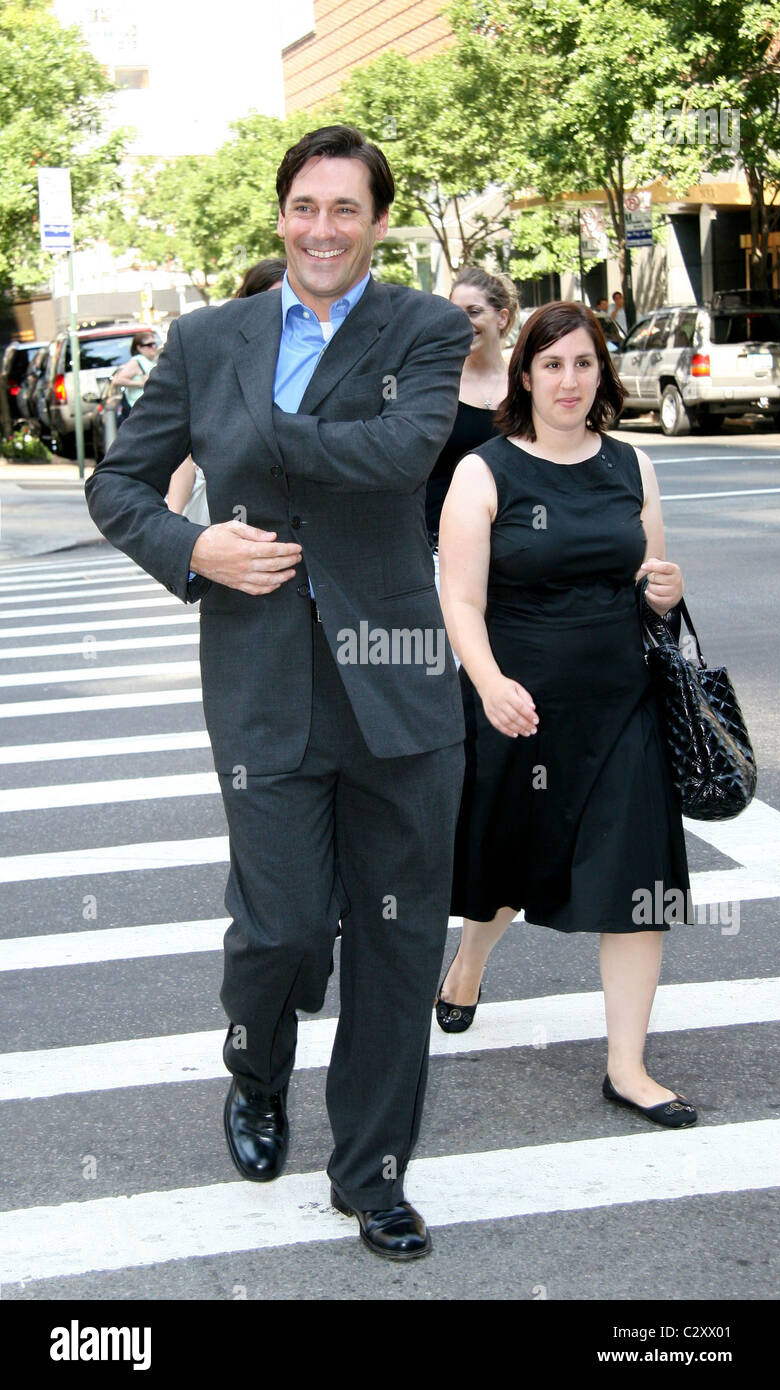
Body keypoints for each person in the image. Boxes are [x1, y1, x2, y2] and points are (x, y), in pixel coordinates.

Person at [85, 124, 473, 1260]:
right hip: (260, 678)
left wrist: (256, 433)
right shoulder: (210, 338)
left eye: (344, 209)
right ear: (280, 213)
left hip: (398, 685)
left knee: (398, 941)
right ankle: (255, 1068)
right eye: (304, 206)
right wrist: (193, 550)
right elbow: (118, 481)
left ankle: (374, 1175)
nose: (321, 228)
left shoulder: (427, 327)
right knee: (284, 923)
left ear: (377, 222)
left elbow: (401, 454)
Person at [436, 300, 697, 1130]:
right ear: (524, 374)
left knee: (636, 879)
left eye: (584, 363)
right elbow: (461, 598)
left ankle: (628, 1065)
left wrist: (665, 589)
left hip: (623, 703)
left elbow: (648, 575)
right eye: (552, 364)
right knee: (511, 868)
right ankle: (469, 961)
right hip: (522, 706)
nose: (569, 380)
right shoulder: (484, 471)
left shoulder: (632, 466)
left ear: (602, 374)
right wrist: (487, 683)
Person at [167, 261, 288, 523]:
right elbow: (185, 454)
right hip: (229, 515)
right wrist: (174, 520)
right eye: (269, 300)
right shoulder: (217, 360)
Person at [426, 267, 517, 575]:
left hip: (515, 551)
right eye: (455, 313)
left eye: (474, 311)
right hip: (442, 553)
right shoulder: (435, 383)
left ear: (502, 317)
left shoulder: (529, 386)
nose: (463, 322)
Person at [110, 331, 160, 409]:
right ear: (139, 347)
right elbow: (118, 380)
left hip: (147, 406)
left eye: (154, 344)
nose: (153, 347)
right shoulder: (137, 361)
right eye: (149, 345)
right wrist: (140, 383)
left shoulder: (149, 361)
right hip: (137, 407)